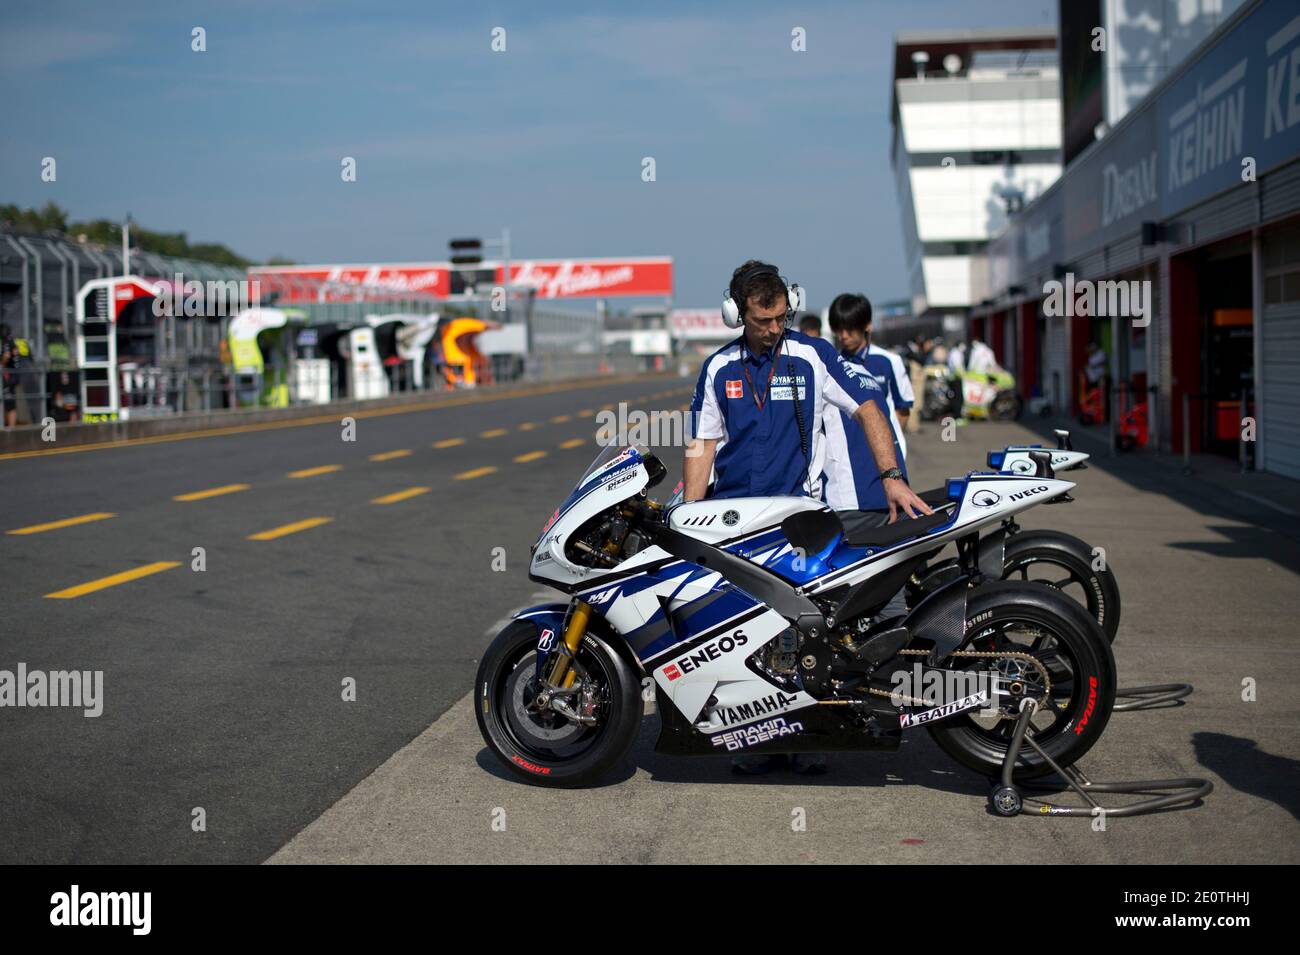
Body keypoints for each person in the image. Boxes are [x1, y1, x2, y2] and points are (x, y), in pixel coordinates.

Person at [686, 262, 931, 775]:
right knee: (742, 631)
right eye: (762, 321)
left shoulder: (813, 355)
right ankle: (754, 739)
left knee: (804, 631)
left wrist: (891, 476)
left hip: (799, 518)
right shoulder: (718, 369)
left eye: (781, 317)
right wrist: (689, 516)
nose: (774, 329)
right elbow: (702, 445)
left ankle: (812, 731)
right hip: (734, 520)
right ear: (737, 315)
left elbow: (868, 409)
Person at [1, 324, 18, 428]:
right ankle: (9, 428)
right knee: (9, 403)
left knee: (8, 404)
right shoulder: (12, 342)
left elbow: (6, 357)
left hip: (8, 375)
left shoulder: (6, 341)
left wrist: (2, 363)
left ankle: (9, 428)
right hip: (13, 375)